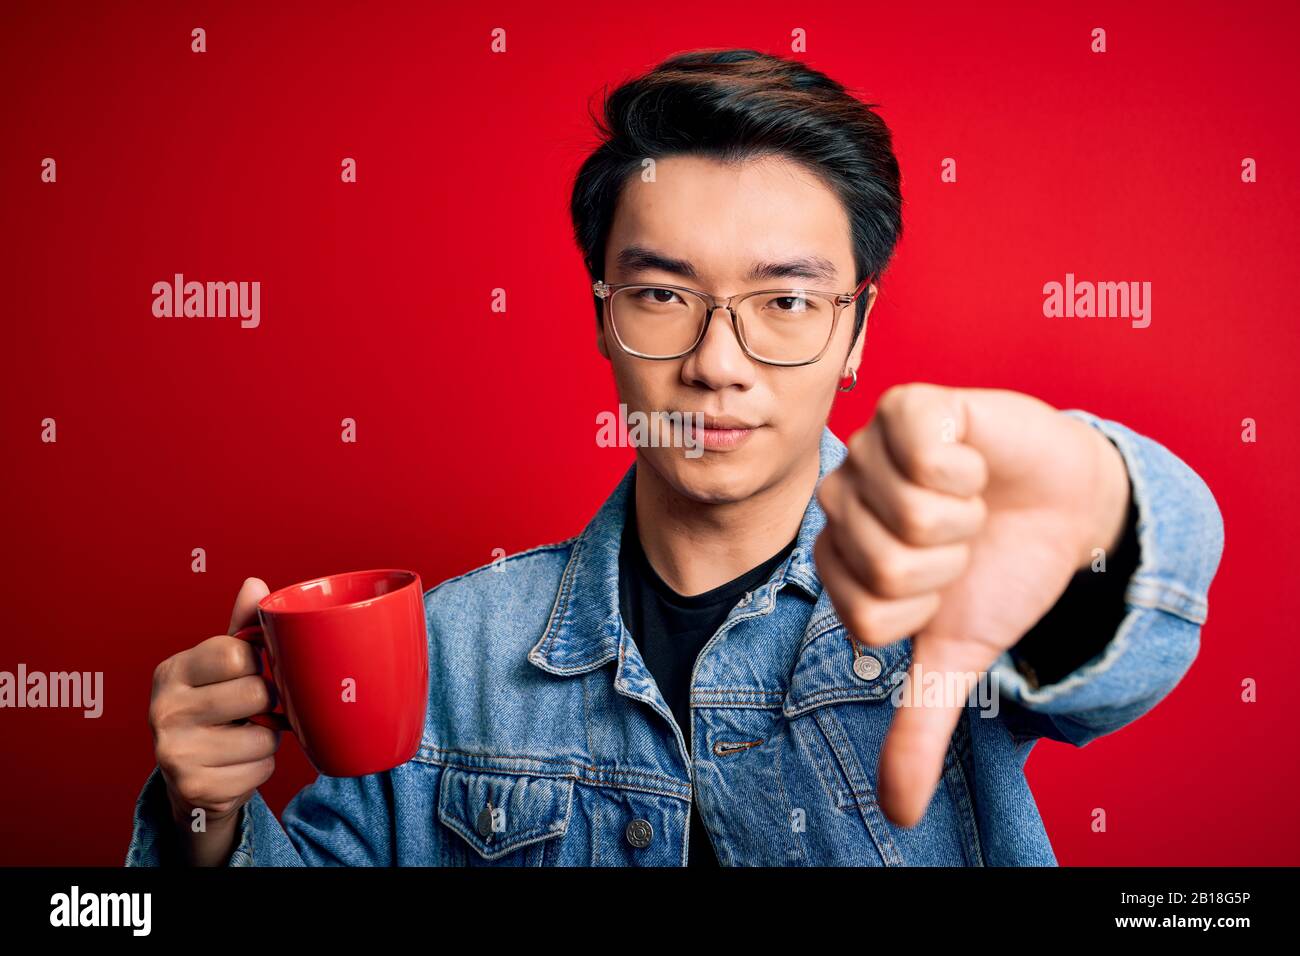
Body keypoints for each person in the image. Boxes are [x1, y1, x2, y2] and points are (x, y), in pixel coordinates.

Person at [127, 48, 1223, 867]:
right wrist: (208, 825)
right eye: (662, 294)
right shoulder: (446, 654)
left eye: (784, 301)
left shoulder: (948, 589)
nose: (717, 362)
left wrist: (1099, 502)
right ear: (601, 315)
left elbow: (1128, 644)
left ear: (857, 328)